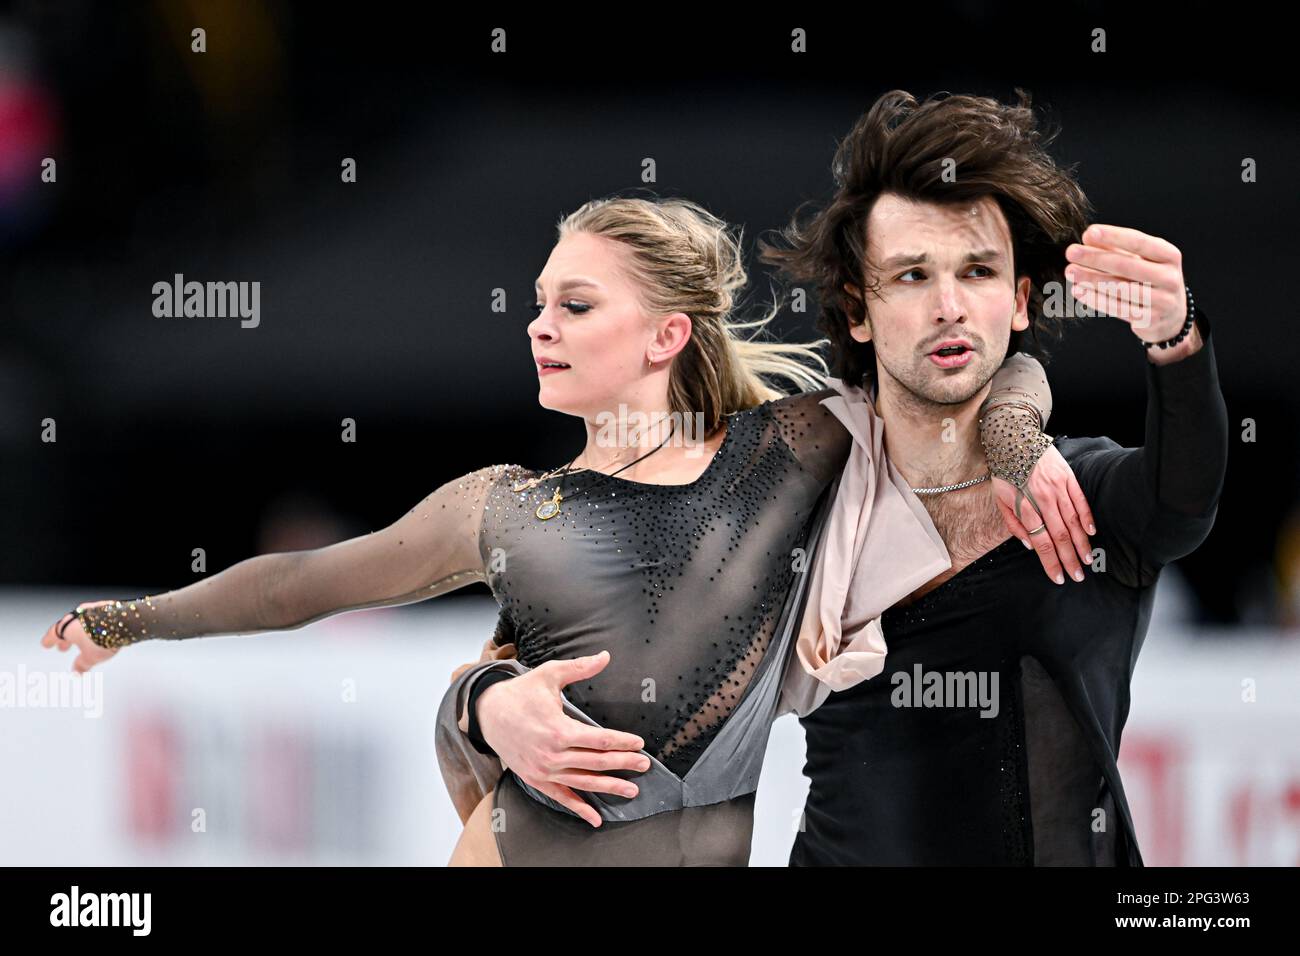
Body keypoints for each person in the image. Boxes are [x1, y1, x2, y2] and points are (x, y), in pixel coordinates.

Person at [43, 194, 1081, 867]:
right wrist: (132, 619)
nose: (537, 324)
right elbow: (298, 584)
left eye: (575, 304)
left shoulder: (790, 448)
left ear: (668, 333)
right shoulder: (502, 504)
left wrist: (1019, 435)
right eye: (539, 302)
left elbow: (989, 366)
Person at [455, 89, 1228, 866]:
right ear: (859, 310)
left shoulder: (1075, 494)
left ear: (1020, 300)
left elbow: (1182, 501)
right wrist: (485, 703)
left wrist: (1176, 339)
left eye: (979, 271)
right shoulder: (789, 494)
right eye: (912, 276)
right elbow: (581, 629)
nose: (950, 306)